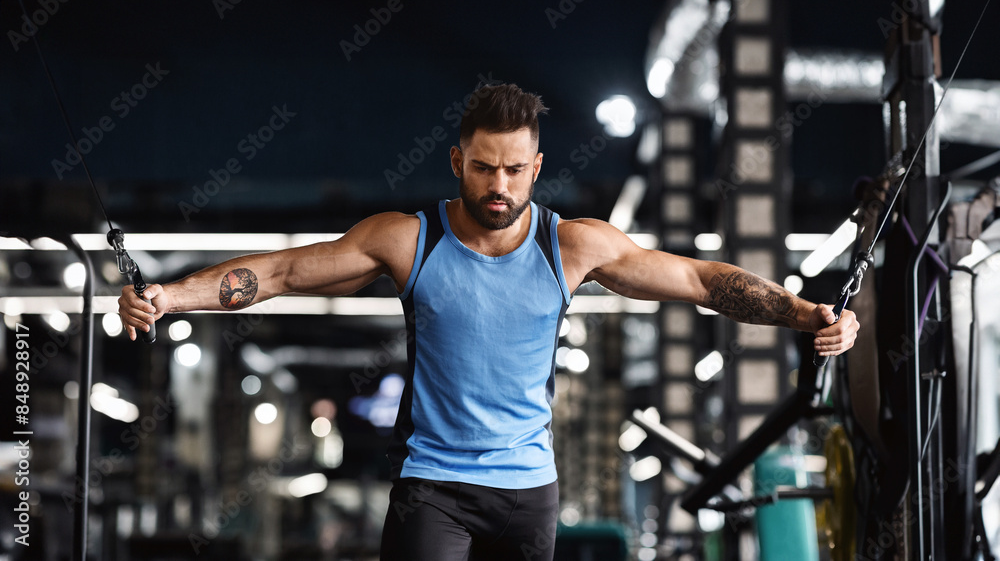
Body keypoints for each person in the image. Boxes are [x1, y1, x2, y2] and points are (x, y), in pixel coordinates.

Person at [118, 82, 859, 561]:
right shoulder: (409, 240)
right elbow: (280, 271)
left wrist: (805, 312)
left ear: (536, 168)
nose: (497, 186)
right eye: (482, 167)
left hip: (528, 490)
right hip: (432, 485)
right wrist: (170, 296)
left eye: (512, 169)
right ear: (455, 161)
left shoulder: (572, 246)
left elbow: (700, 279)